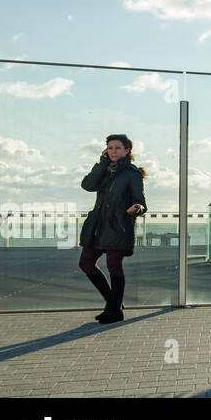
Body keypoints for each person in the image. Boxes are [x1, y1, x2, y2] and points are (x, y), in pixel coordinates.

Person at [79, 134, 147, 324]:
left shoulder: (132, 173)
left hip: (118, 225)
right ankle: (114, 304)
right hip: (98, 226)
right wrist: (101, 163)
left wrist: (136, 209)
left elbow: (140, 202)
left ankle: (114, 310)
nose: (113, 151)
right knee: (85, 263)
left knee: (113, 266)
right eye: (110, 148)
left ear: (127, 150)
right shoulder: (104, 169)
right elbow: (87, 185)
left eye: (118, 148)